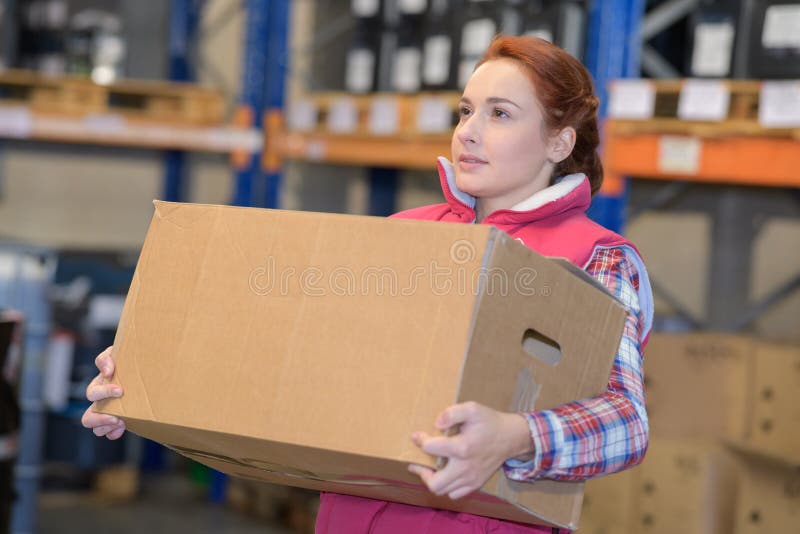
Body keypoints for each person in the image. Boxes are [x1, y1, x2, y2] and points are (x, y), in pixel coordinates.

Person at [82, 35, 653, 534]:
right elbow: (297, 360)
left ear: (559, 142)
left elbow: (626, 424)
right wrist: (148, 375)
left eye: (500, 114)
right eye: (465, 111)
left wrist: (516, 435)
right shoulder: (403, 236)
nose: (470, 132)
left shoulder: (598, 258)